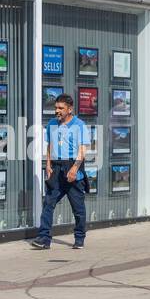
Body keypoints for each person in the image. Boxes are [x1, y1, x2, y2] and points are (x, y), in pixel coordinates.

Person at [32, 94, 89, 250]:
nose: (57, 111)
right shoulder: (51, 124)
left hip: (72, 166)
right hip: (56, 168)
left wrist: (75, 168)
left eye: (60, 108)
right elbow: (50, 146)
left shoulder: (79, 125)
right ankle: (44, 239)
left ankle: (79, 237)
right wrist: (48, 165)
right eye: (56, 107)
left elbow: (82, 150)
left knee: (78, 208)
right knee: (48, 203)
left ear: (70, 109)